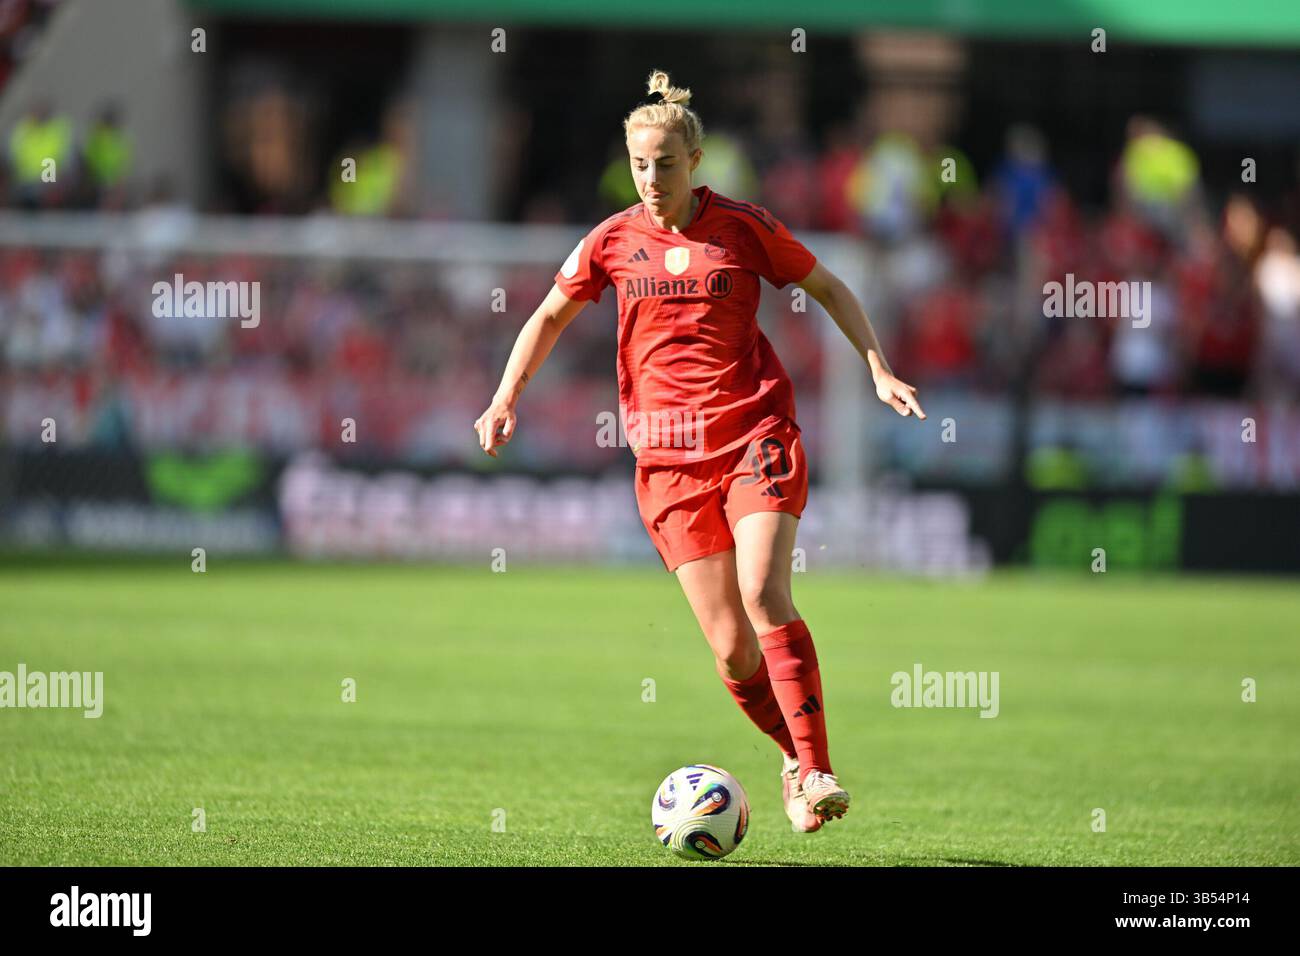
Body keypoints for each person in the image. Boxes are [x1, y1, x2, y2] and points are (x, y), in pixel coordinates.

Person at [474, 70, 925, 832]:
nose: (653, 179)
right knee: (731, 649)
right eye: (641, 164)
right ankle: (792, 756)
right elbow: (549, 316)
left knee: (762, 592)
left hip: (756, 433)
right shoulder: (612, 241)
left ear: (696, 160)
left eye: (668, 164)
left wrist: (877, 368)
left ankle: (816, 769)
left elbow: (831, 288)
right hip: (669, 464)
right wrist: (505, 394)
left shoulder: (744, 226)